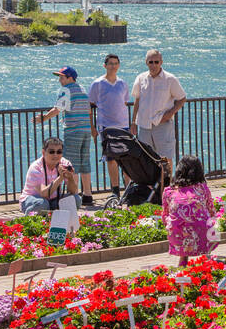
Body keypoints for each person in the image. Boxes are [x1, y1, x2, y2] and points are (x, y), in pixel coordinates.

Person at [34, 67, 93, 207]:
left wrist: (44, 118)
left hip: (73, 130)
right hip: (86, 130)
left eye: (62, 77)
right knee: (85, 163)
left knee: (72, 164)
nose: (60, 80)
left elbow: (57, 108)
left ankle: (75, 196)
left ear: (70, 78)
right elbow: (89, 110)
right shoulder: (82, 89)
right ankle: (88, 195)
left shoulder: (66, 90)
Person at [131, 49, 186, 181]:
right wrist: (133, 122)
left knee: (165, 158)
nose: (154, 65)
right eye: (151, 62)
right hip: (144, 125)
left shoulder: (170, 79)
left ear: (161, 62)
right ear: (146, 62)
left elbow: (182, 98)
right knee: (146, 158)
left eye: (156, 62)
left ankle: (167, 187)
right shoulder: (140, 78)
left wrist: (169, 114)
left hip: (162, 125)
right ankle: (151, 187)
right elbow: (137, 100)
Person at [160, 154, 216, 267]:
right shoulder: (202, 188)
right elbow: (211, 210)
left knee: (180, 225)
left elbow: (164, 215)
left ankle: (182, 262)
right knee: (209, 221)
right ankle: (207, 257)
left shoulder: (168, 191)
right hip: (201, 235)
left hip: (177, 237)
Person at [88, 53, 131, 198]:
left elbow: (125, 102)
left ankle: (129, 189)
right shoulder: (97, 84)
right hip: (106, 127)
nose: (113, 66)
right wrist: (92, 127)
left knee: (125, 158)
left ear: (119, 65)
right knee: (111, 159)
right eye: (110, 63)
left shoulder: (123, 83)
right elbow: (90, 105)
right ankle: (115, 190)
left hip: (123, 126)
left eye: (115, 63)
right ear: (105, 66)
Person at [19, 137, 79, 215]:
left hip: (54, 199)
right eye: (51, 152)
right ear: (43, 153)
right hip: (33, 200)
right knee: (42, 204)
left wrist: (70, 178)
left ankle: (58, 219)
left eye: (59, 152)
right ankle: (29, 216)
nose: (55, 155)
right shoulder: (36, 168)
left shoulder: (65, 163)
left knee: (76, 199)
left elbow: (73, 191)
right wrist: (60, 178)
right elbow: (44, 194)